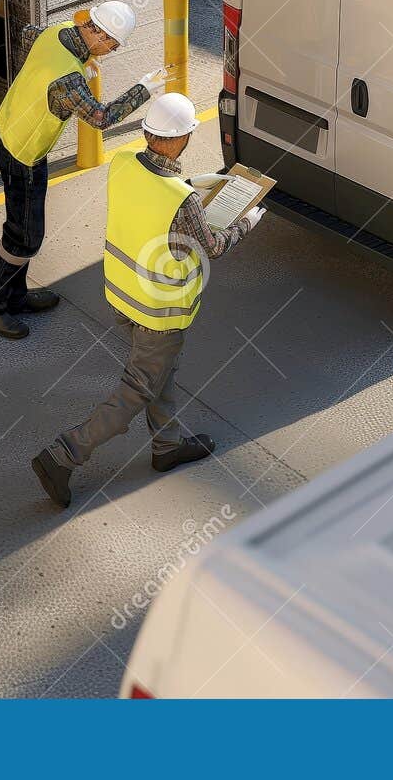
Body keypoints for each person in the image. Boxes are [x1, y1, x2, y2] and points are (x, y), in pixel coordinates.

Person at [30, 92, 264, 510]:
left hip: (122, 295)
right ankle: (64, 455)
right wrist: (246, 222)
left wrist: (191, 186)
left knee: (159, 371)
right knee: (138, 388)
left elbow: (151, 198)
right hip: (160, 311)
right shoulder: (183, 200)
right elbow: (211, 246)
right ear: (183, 138)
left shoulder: (123, 163)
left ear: (147, 131)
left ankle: (167, 446)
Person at [0, 1, 167, 339]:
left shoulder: (58, 30)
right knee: (24, 238)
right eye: (113, 45)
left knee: (25, 231)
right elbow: (101, 118)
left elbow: (27, 35)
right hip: (23, 155)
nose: (111, 52)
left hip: (12, 129)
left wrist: (82, 61)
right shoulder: (68, 82)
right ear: (101, 36)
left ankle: (15, 296)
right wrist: (143, 90)